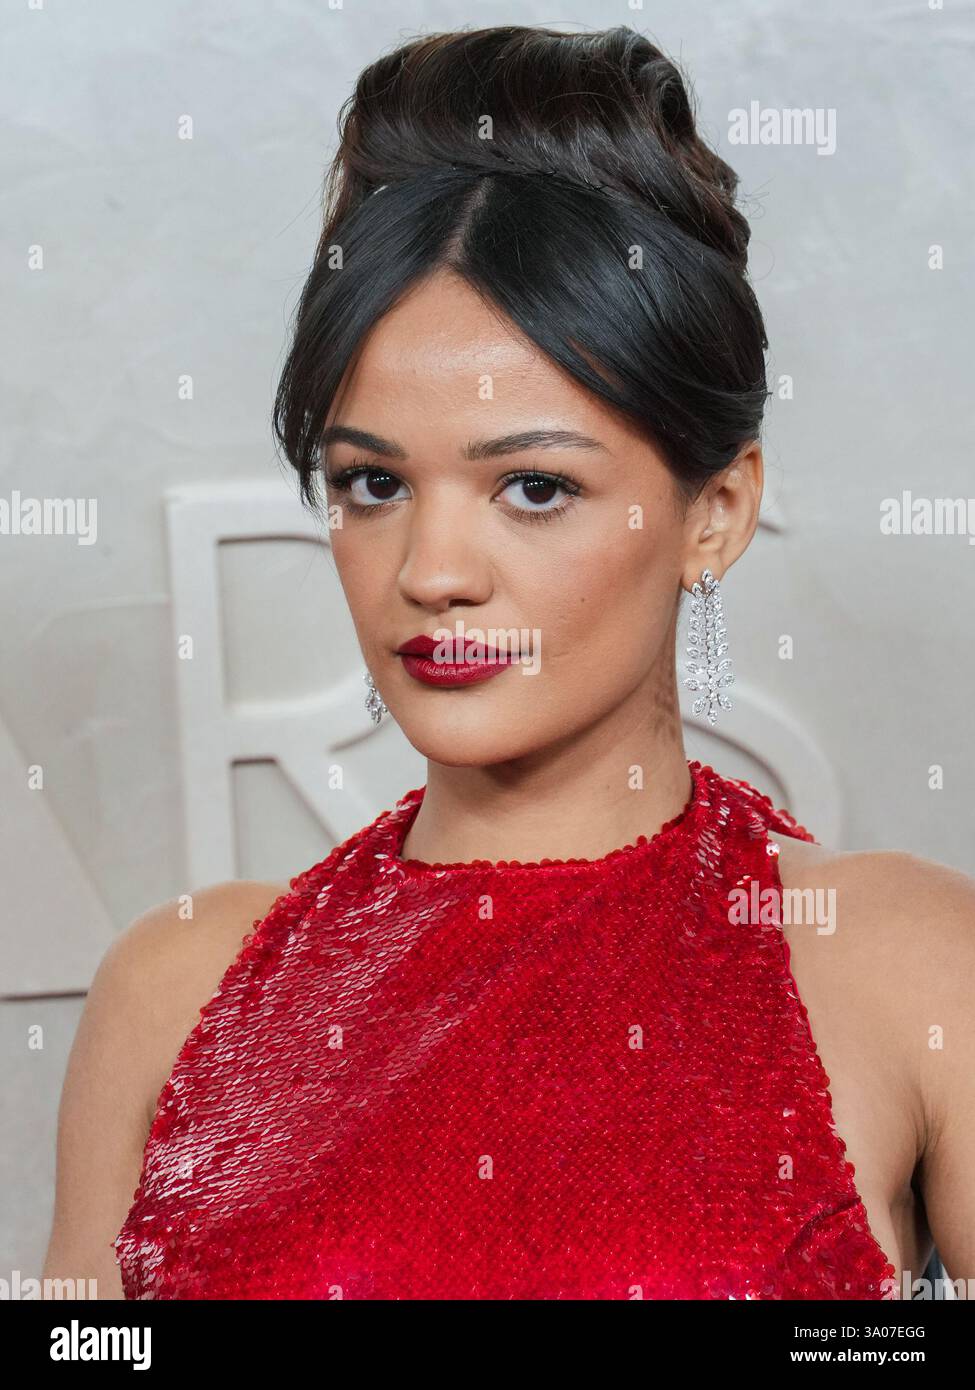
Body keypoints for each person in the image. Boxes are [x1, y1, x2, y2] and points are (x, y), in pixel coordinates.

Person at [44, 24, 974, 1299]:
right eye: (372, 482)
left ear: (715, 512)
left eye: (533, 486)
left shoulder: (910, 961)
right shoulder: (174, 986)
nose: (432, 569)